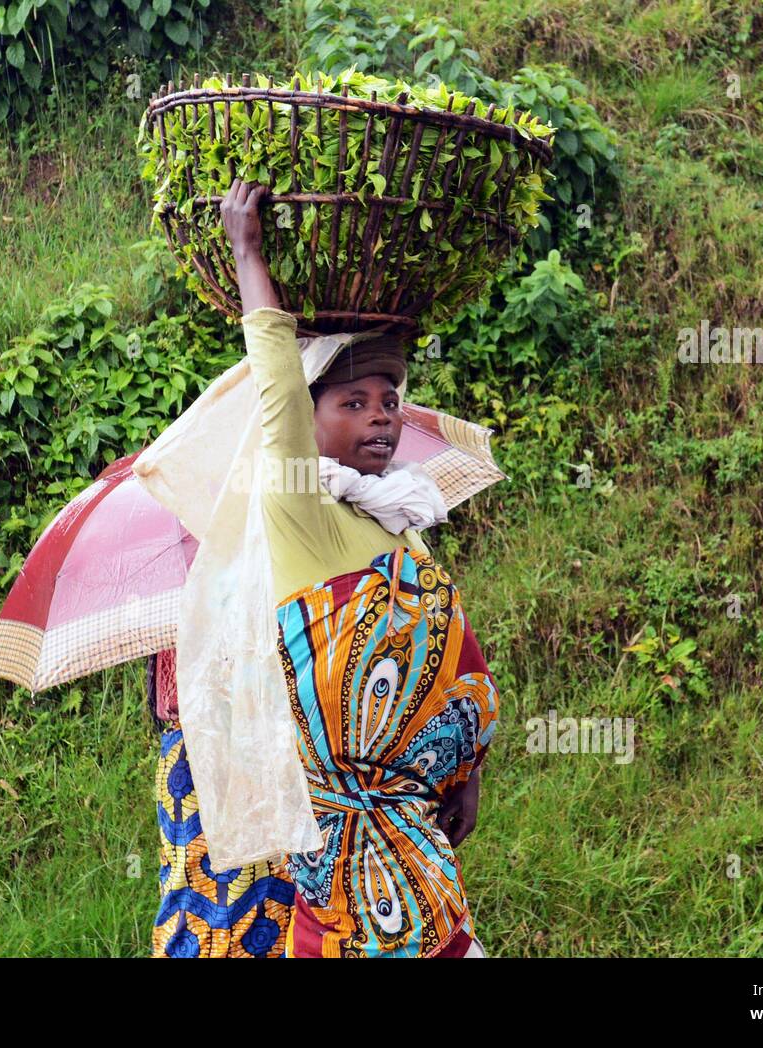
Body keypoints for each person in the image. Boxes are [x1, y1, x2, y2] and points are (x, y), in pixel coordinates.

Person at [220, 178, 500, 957]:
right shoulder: (299, 511)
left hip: (417, 833)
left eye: (389, 398)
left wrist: (464, 770)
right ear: (308, 425)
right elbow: (276, 383)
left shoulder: (402, 525)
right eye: (352, 401)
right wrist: (249, 253)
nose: (380, 413)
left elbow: (441, 667)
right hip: (341, 846)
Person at [147, 649, 296, 957]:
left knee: (210, 883)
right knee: (237, 882)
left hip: (198, 741)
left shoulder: (159, 606)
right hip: (221, 737)